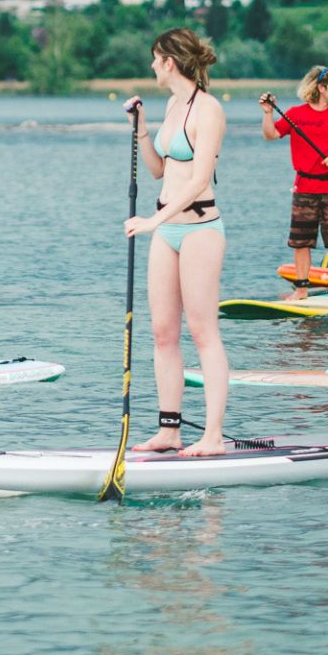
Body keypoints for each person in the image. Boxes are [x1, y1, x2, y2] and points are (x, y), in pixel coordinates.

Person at [123, 28, 230, 457]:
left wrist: (153, 220)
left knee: (203, 332)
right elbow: (157, 171)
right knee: (163, 333)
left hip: (200, 228)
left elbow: (200, 178)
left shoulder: (209, 110)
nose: (151, 66)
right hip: (166, 229)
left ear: (170, 62)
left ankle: (214, 436)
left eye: (155, 59)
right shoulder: (171, 105)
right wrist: (142, 131)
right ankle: (170, 430)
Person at [259, 65, 328, 303]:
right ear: (321, 87)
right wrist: (267, 112)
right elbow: (270, 134)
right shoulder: (295, 114)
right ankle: (301, 290)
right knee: (301, 242)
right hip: (304, 188)